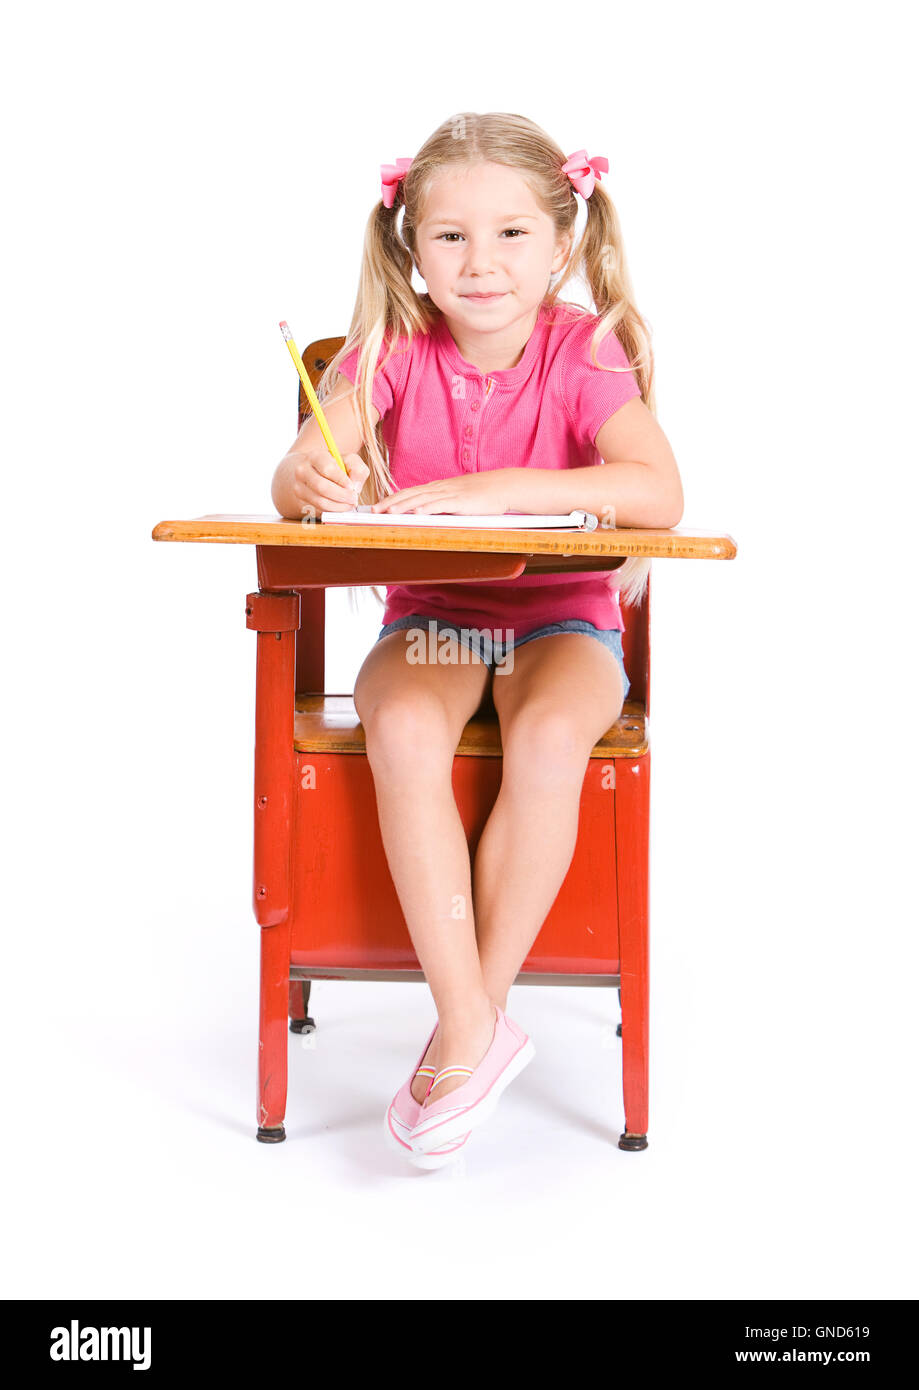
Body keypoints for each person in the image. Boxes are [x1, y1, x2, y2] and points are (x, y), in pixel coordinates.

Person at [271, 112, 683, 1168]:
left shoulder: (584, 350)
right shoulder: (389, 350)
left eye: (509, 234)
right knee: (401, 726)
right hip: (438, 624)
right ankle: (471, 1023)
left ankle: (468, 1022)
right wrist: (305, 473)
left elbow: (657, 493)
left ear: (561, 244)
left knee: (547, 739)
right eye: (448, 235)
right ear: (410, 244)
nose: (479, 262)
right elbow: (299, 474)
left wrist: (492, 487)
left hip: (562, 624)